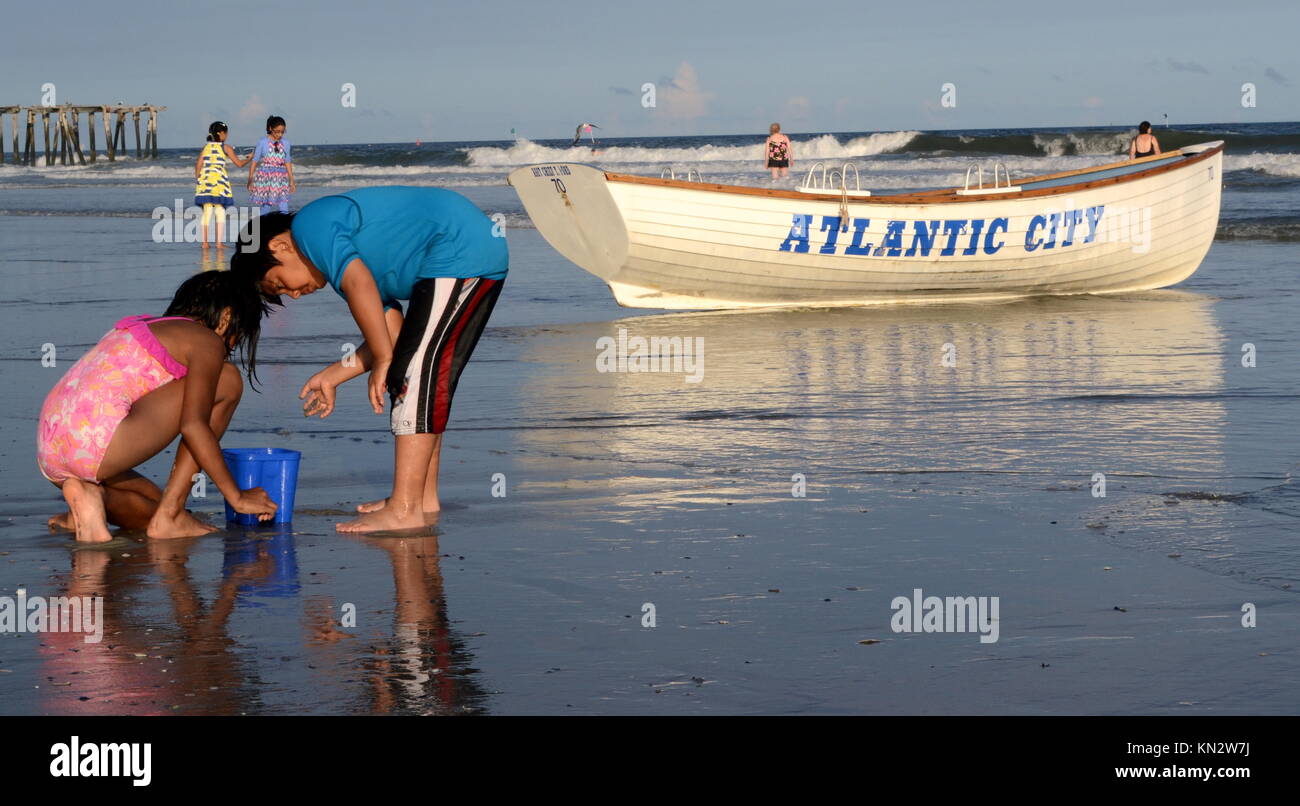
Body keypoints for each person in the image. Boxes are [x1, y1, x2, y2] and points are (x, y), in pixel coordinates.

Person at [230, 186, 508, 534]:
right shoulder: (354, 253)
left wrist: (384, 359)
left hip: (456, 250)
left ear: (278, 247)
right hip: (461, 253)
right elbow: (393, 335)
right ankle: (419, 498)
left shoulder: (310, 227)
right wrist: (335, 375)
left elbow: (361, 288)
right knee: (417, 372)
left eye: (280, 285)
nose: (294, 295)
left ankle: (405, 509)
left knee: (413, 377)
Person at [38, 272, 279, 542]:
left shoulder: (146, 328)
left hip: (52, 449)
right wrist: (237, 496)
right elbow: (193, 425)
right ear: (225, 319)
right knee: (229, 380)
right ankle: (171, 517)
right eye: (237, 337)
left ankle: (90, 500)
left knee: (153, 506)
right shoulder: (206, 341)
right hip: (96, 443)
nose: (230, 348)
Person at [194, 122, 252, 248]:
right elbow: (240, 164)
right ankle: (219, 243)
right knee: (220, 211)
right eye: (226, 133)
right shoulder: (226, 148)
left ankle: (205, 243)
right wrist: (250, 157)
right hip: (219, 184)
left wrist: (199, 179)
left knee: (207, 211)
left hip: (205, 183)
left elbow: (198, 166)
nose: (227, 135)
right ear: (221, 133)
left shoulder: (205, 148)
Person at [248, 115, 296, 215]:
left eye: (282, 132)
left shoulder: (286, 143)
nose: (280, 134)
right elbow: (255, 161)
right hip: (267, 176)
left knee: (284, 203)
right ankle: (260, 226)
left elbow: (287, 161)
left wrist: (291, 180)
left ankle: (284, 226)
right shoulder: (263, 142)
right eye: (277, 131)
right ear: (270, 129)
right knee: (267, 204)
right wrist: (250, 180)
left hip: (281, 176)